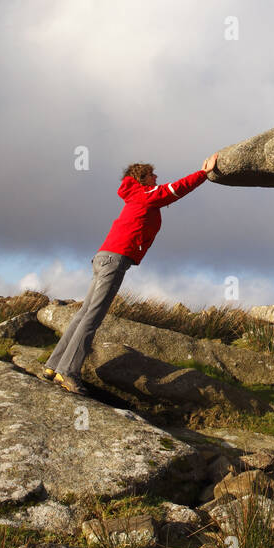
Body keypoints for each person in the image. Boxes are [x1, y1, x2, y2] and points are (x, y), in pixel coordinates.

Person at [44, 153, 219, 395]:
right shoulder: (145, 194)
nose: (156, 177)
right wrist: (203, 174)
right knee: (92, 317)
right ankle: (68, 371)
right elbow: (174, 189)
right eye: (152, 174)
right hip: (115, 259)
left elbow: (164, 197)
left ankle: (53, 366)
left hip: (104, 257)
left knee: (84, 313)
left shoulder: (137, 197)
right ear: (142, 178)